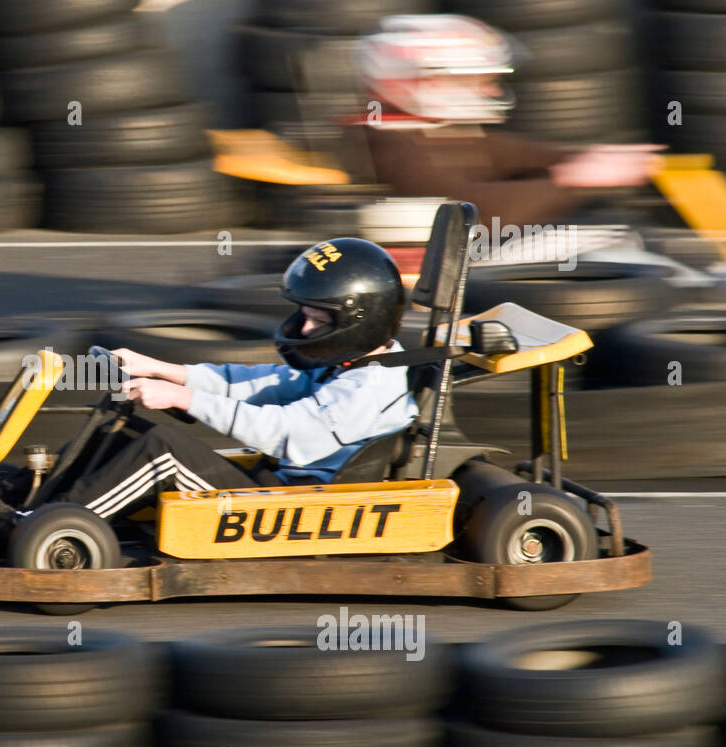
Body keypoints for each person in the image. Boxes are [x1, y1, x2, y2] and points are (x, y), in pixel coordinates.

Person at [56, 237, 419, 521]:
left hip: (297, 508)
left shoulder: (368, 388)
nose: (306, 329)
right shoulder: (352, 364)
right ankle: (33, 497)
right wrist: (163, 370)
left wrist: (182, 399)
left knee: (161, 453)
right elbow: (262, 383)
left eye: (318, 322)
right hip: (278, 484)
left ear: (360, 322)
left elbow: (286, 433)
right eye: (305, 316)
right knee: (122, 434)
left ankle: (58, 526)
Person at [341, 14, 660, 227]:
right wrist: (573, 181)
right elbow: (475, 211)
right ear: (428, 81)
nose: (492, 92)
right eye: (480, 81)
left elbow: (500, 151)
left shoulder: (425, 132)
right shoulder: (385, 145)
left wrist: (586, 160)